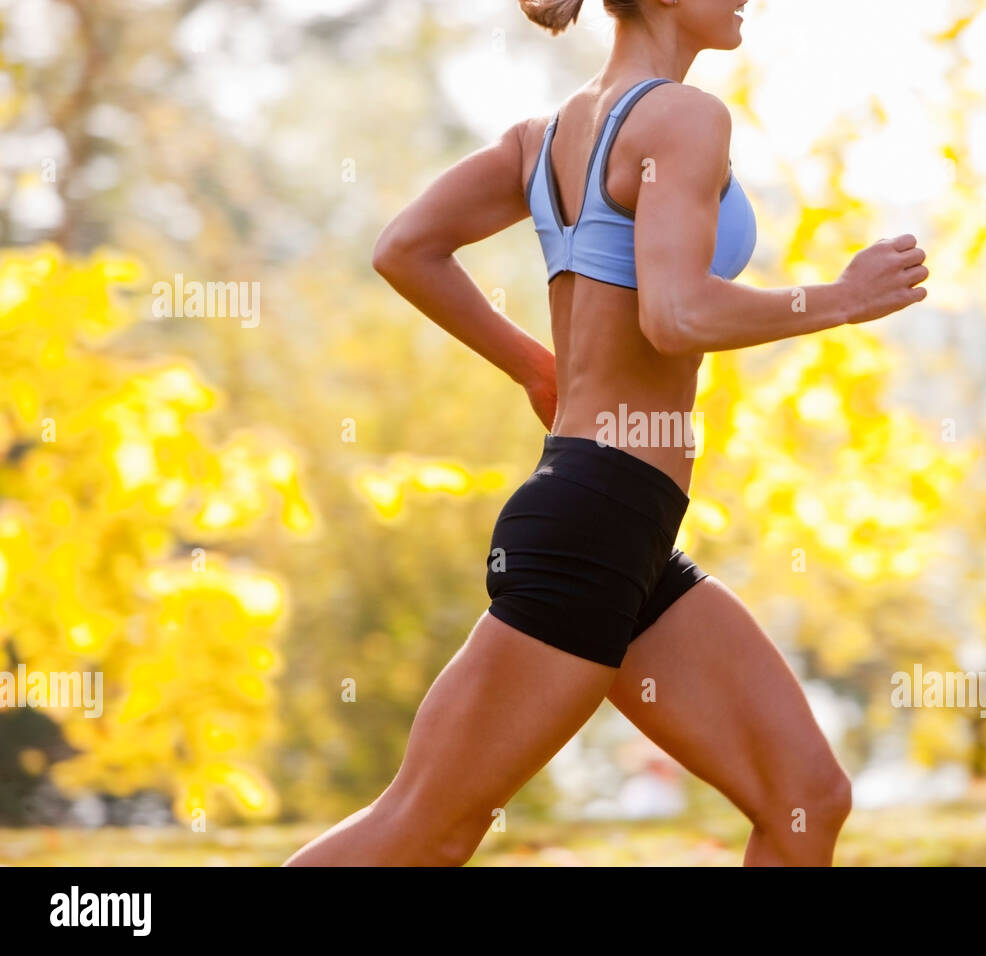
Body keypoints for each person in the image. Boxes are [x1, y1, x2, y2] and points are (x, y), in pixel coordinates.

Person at [285, 0, 928, 867]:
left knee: (805, 798)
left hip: (621, 527)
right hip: (592, 525)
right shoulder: (682, 116)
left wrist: (532, 365)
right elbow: (673, 313)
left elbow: (408, 247)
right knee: (428, 828)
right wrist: (837, 300)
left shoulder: (546, 135)